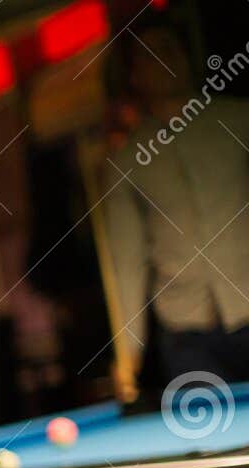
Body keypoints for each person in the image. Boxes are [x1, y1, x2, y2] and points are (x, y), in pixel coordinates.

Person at [101, 20, 249, 398]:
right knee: (211, 449)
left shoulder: (240, 120)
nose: (164, 60)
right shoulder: (127, 160)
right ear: (133, 75)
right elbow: (126, 261)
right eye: (150, 55)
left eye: (170, 48)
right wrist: (127, 353)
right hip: (186, 335)